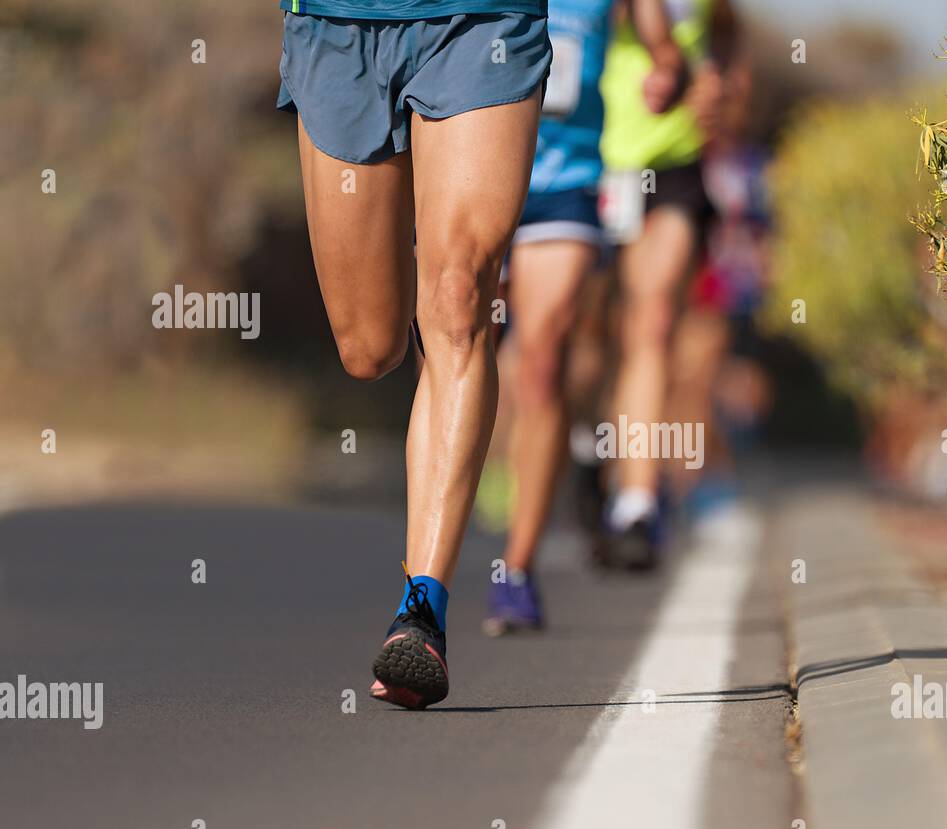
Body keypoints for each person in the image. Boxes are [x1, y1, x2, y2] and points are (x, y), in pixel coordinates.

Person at [275, 0, 552, 707]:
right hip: (339, 24)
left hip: (481, 20)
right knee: (368, 346)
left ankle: (421, 613)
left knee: (459, 295)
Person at [483, 0, 685, 635]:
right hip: (473, 174)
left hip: (565, 183)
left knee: (542, 360)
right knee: (460, 349)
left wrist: (668, 73)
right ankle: (426, 571)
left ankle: (515, 569)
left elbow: (666, 50)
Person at [594, 0, 739, 570]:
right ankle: (591, 457)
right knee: (583, 338)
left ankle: (636, 502)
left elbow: (727, 35)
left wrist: (719, 87)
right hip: (600, 157)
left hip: (676, 161)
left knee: (652, 323)